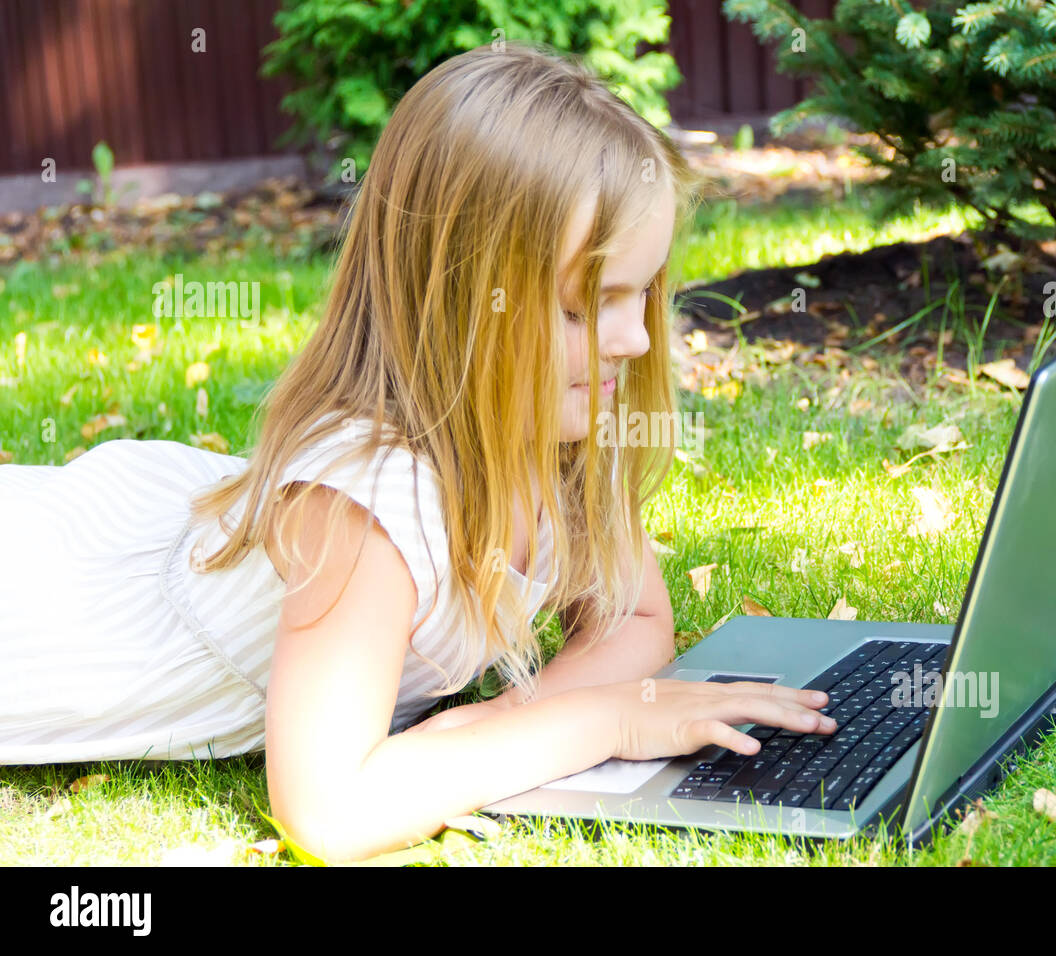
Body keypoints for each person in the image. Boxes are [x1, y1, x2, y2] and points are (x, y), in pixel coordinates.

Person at [0, 41, 835, 863]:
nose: (634, 339)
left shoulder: (560, 427)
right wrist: (607, 718)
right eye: (586, 309)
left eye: (642, 293)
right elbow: (328, 812)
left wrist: (500, 721)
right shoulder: (367, 501)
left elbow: (639, 618)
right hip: (47, 604)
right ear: (458, 307)